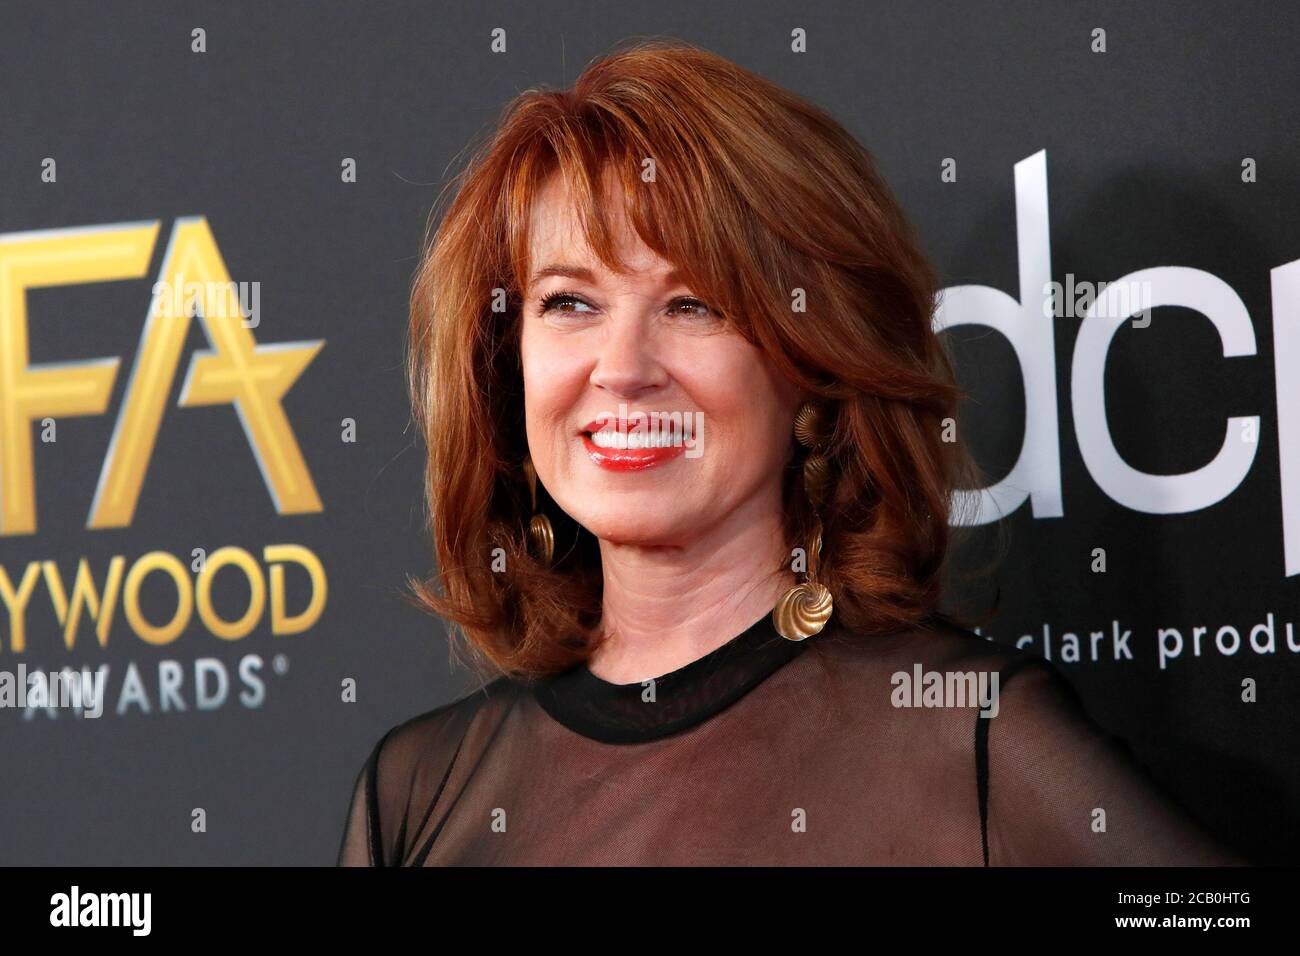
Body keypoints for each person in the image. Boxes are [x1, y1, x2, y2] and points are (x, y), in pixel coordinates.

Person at [337, 38, 1241, 866]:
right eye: (570, 303)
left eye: (694, 304)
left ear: (813, 360)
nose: (622, 370)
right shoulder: (420, 794)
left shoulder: (965, 735)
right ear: (507, 362)